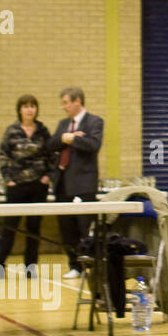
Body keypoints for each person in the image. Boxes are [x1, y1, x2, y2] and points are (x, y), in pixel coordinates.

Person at [48, 87, 103, 280]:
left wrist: (74, 140)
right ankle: (74, 265)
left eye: (66, 102)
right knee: (66, 228)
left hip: (83, 184)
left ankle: (90, 264)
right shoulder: (64, 124)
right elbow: (51, 144)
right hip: (62, 182)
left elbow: (93, 145)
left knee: (84, 227)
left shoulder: (94, 122)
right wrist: (65, 138)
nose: (64, 107)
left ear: (77, 101)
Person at [0, 94, 52, 276]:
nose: (29, 109)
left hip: (38, 186)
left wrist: (47, 176)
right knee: (9, 227)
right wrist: (8, 179)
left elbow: (52, 154)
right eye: (26, 106)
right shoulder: (12, 131)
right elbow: (3, 156)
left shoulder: (43, 131)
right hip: (16, 186)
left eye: (32, 106)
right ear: (19, 110)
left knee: (33, 228)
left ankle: (30, 268)